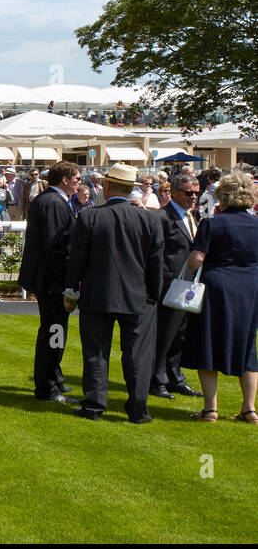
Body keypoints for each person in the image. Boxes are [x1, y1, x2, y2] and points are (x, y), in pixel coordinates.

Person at [63, 163, 164, 423]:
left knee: (96, 352)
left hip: (98, 295)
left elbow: (77, 260)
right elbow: (156, 264)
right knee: (138, 356)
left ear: (107, 186)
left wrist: (72, 290)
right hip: (138, 297)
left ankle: (94, 405)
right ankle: (138, 410)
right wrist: (154, 294)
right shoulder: (149, 220)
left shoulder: (89, 217)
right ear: (130, 189)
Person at [180, 172, 258, 423]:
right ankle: (249, 408)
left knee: (208, 342)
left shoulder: (212, 223)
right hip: (249, 288)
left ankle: (210, 408)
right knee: (247, 345)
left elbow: (196, 259)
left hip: (217, 287)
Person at [19, 161, 82, 402]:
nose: (79, 183)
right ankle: (47, 386)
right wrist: (70, 279)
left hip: (48, 279)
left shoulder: (49, 200)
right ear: (64, 180)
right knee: (54, 332)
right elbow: (57, 246)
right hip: (53, 282)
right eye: (76, 179)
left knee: (55, 330)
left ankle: (54, 376)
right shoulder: (54, 203)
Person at [150, 172, 204, 400]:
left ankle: (175, 377)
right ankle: (156, 380)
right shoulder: (162, 217)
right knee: (163, 336)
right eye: (189, 193)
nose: (193, 197)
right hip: (168, 285)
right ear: (173, 193)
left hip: (188, 286)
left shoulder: (194, 216)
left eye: (196, 193)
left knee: (180, 335)